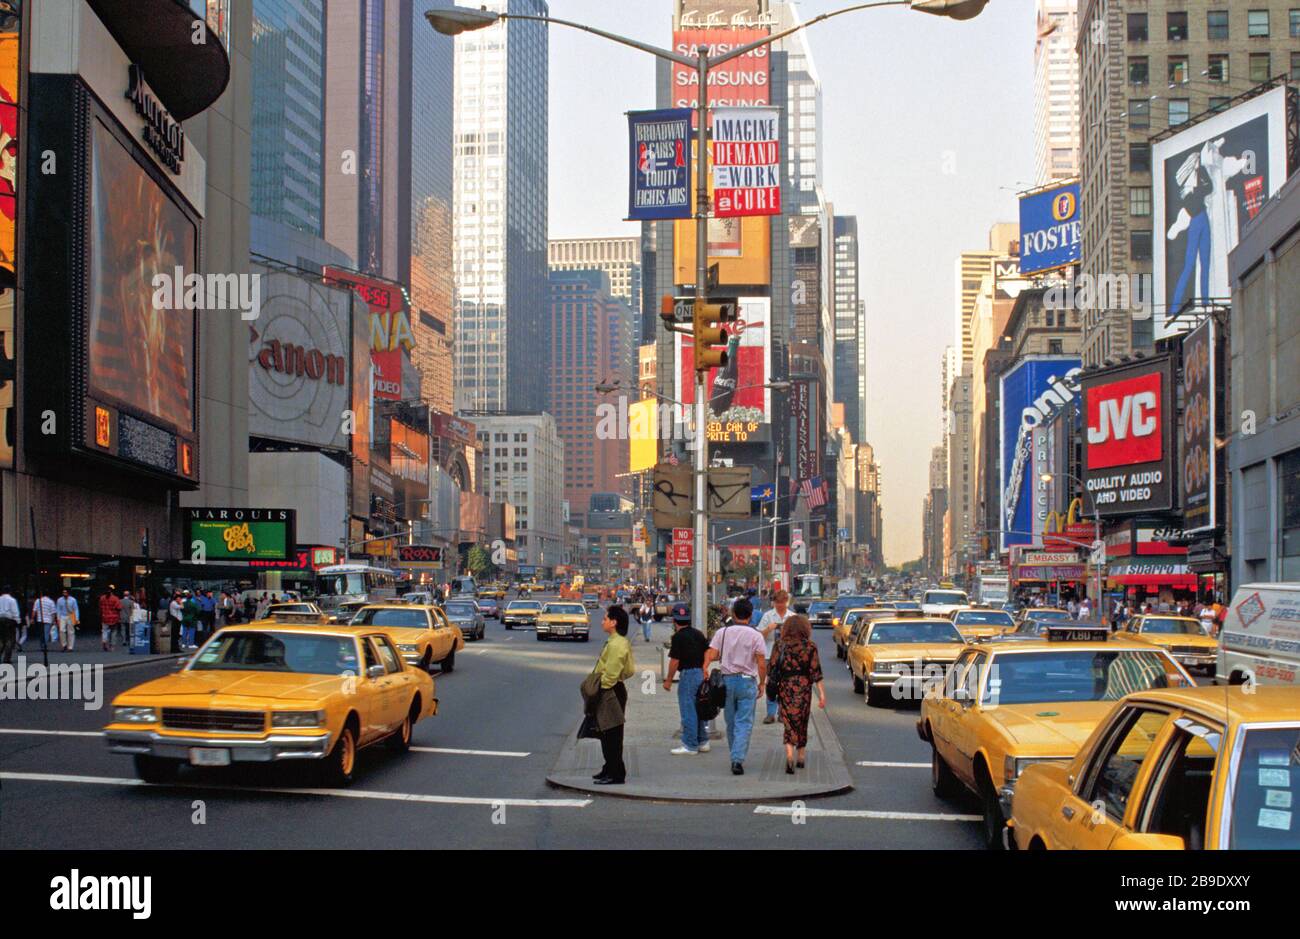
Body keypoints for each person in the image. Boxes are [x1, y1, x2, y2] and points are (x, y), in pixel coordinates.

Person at [701, 596, 767, 776]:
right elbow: (761, 663)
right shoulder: (756, 636)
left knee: (730, 722)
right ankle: (737, 759)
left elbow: (712, 653)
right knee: (744, 722)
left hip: (726, 682)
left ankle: (734, 756)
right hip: (747, 682)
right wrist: (762, 683)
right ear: (750, 615)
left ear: (733, 613)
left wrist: (705, 667)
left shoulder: (722, 633)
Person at [586, 605, 634, 785]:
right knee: (607, 732)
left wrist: (600, 687)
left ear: (613, 622)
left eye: (605, 618)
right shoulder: (620, 641)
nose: (602, 621)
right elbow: (629, 670)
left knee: (611, 734)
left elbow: (612, 675)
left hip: (609, 691)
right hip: (615, 689)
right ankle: (610, 767)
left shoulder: (616, 644)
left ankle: (616, 773)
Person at [771, 614, 825, 774]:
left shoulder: (779, 645)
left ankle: (789, 755)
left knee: (788, 721)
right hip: (803, 688)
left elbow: (772, 668)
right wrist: (822, 694)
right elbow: (816, 672)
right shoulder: (810, 646)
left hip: (785, 687)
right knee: (802, 721)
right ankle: (801, 756)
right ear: (805, 628)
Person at [662, 603, 710, 755]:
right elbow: (708, 651)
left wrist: (669, 679)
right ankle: (703, 741)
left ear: (674, 620)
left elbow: (675, 661)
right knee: (700, 707)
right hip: (700, 673)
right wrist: (704, 667)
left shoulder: (678, 637)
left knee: (688, 709)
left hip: (688, 675)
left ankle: (690, 745)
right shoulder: (698, 634)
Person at [754, 589, 793, 724]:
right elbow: (758, 637)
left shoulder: (792, 616)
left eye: (782, 602)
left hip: (787, 654)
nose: (780, 605)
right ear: (774, 603)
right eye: (777, 602)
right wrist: (769, 629)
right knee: (771, 683)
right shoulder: (768, 616)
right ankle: (770, 713)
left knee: (785, 684)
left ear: (786, 602)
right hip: (770, 652)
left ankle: (783, 712)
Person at [0, 585, 18, 665]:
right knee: (9, 639)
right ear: (10, 591)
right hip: (9, 620)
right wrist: (18, 620)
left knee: (1, 639)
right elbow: (15, 611)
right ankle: (6, 658)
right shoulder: (12, 600)